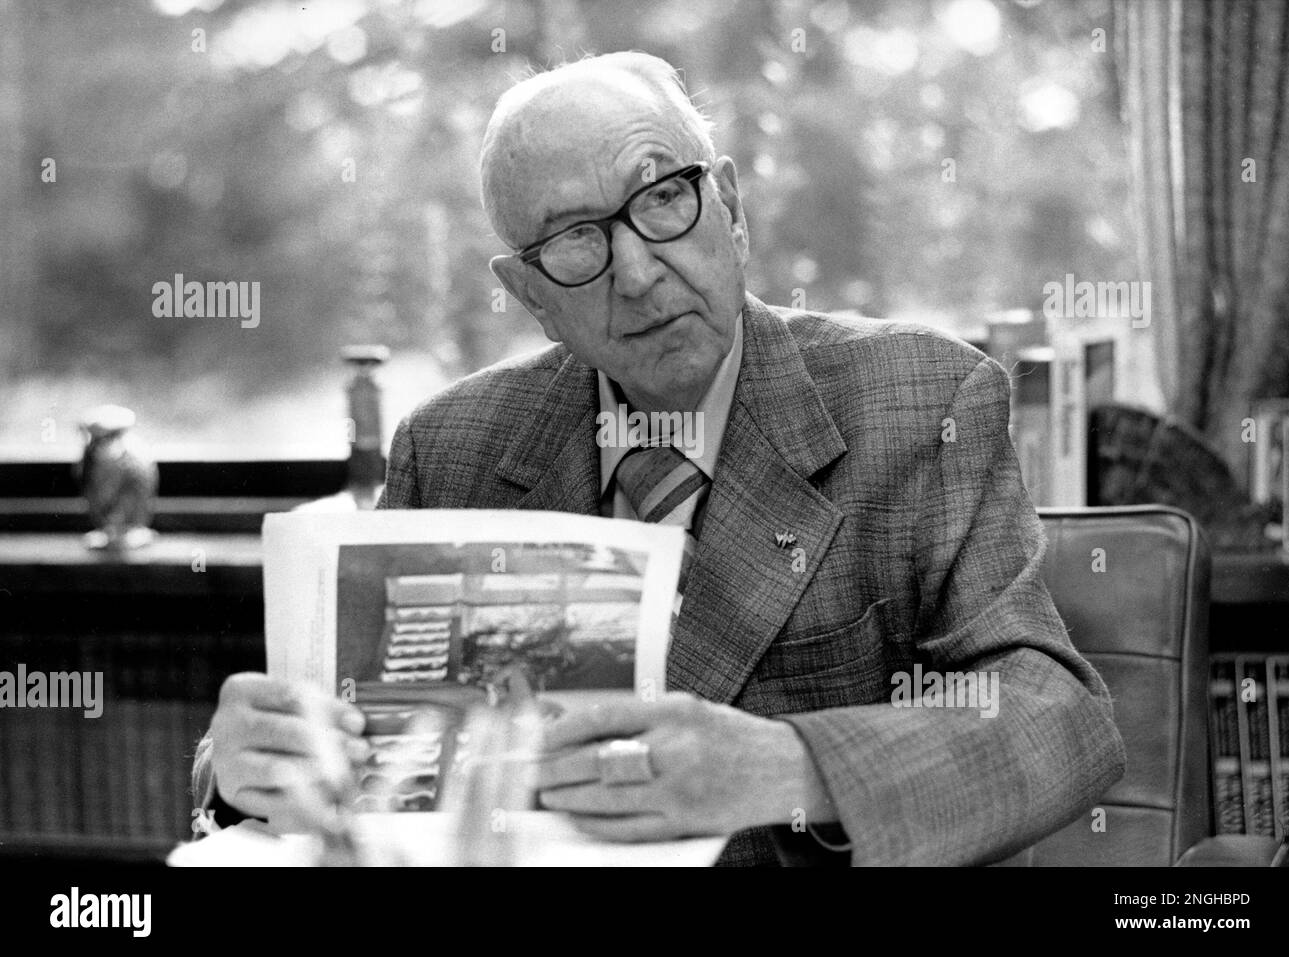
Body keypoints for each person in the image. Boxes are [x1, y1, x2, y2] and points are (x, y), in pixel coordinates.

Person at [195, 51, 1125, 866]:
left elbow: (1058, 719)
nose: (637, 271)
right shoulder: (455, 445)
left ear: (729, 206)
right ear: (529, 294)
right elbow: (347, 739)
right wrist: (245, 771)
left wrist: (787, 767)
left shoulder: (922, 400)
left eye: (664, 199)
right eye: (575, 241)